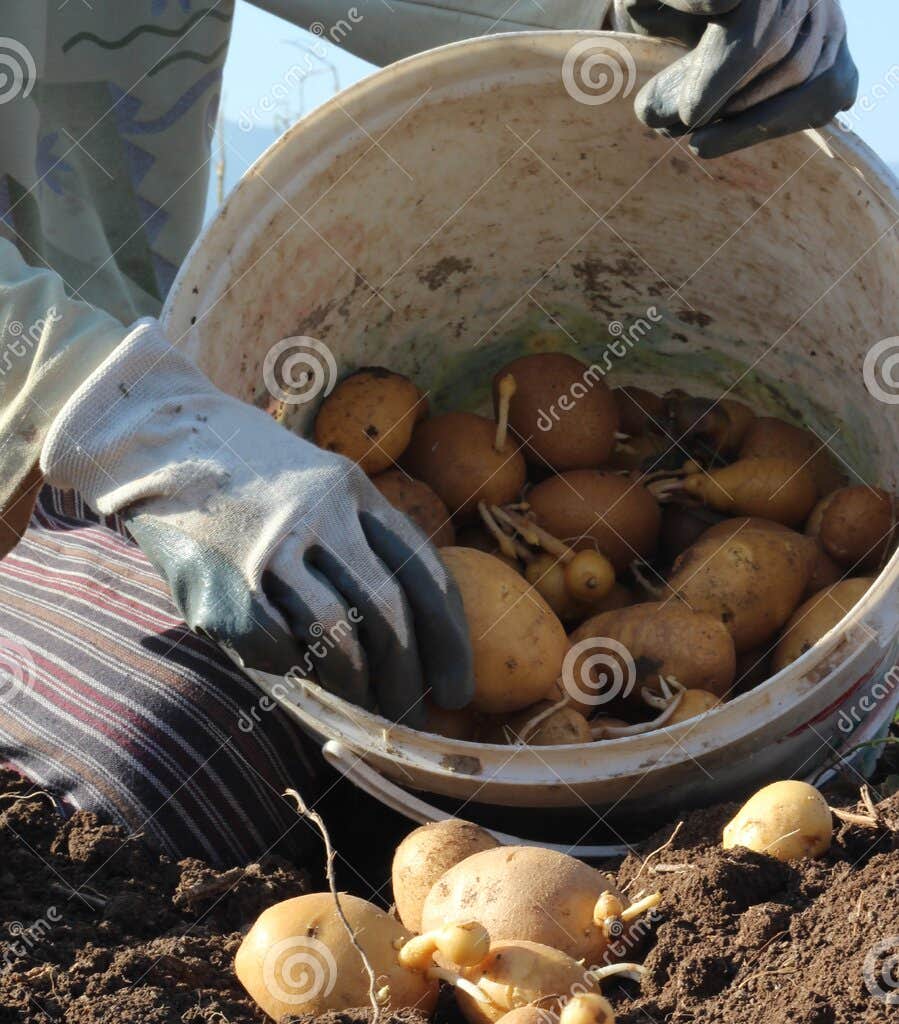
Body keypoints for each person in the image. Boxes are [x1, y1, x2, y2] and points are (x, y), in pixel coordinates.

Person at [0, 1, 857, 865]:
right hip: (51, 460)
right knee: (162, 787)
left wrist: (623, 16)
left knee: (311, 679)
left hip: (172, 397)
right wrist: (110, 416)